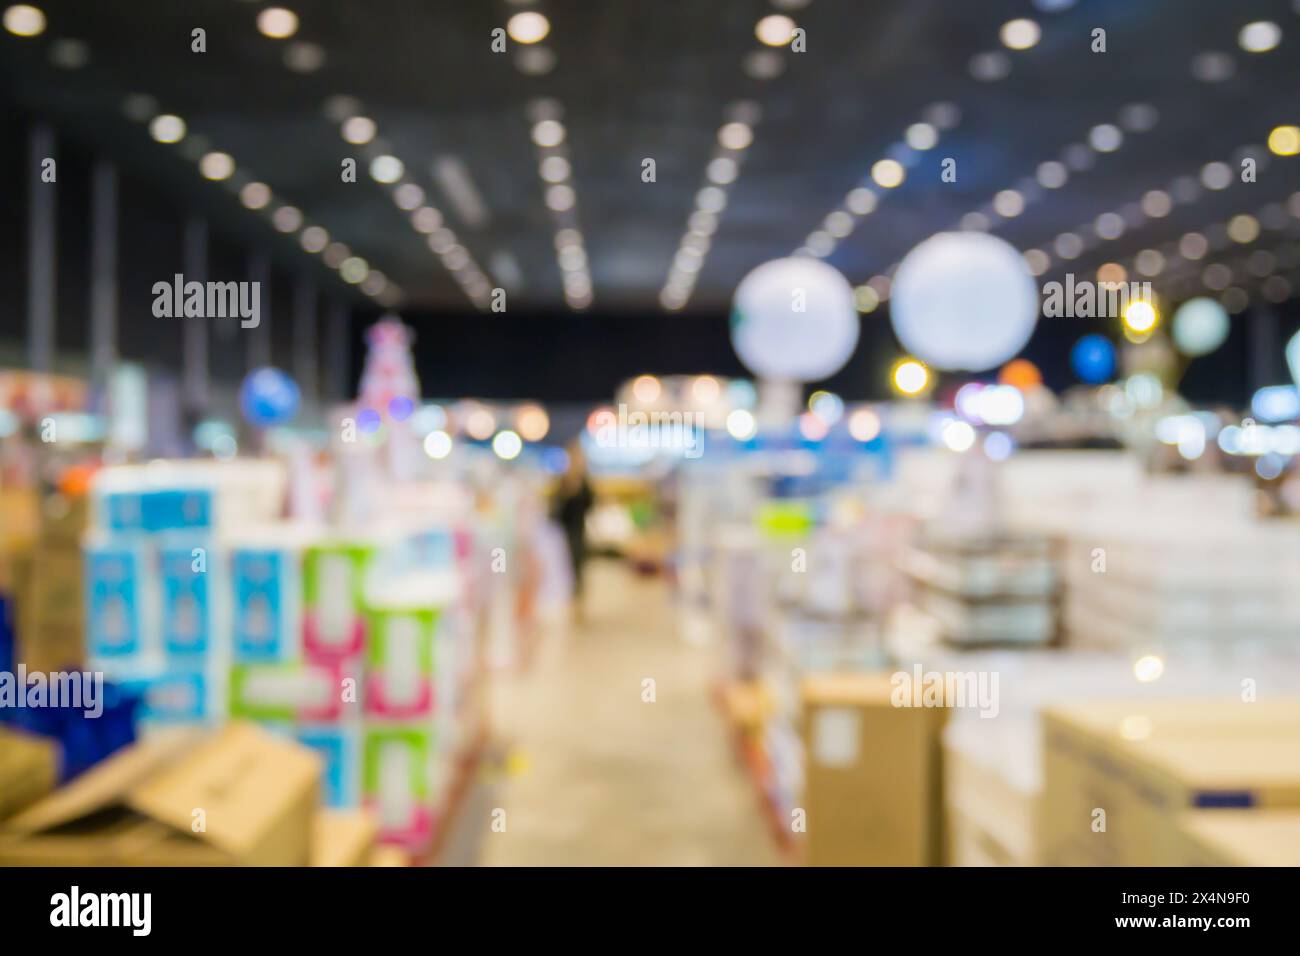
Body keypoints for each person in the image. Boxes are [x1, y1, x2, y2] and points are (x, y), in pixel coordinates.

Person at [552, 438, 594, 623]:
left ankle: (578, 607)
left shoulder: (584, 481)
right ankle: (566, 604)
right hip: (563, 534)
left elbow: (590, 505)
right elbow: (555, 510)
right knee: (564, 568)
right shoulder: (562, 480)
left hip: (578, 532)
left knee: (578, 570)